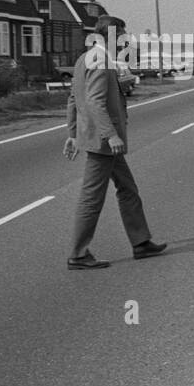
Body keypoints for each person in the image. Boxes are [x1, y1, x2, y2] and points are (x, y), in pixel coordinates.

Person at [63, 15, 167, 269]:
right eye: (121, 35)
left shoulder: (84, 59)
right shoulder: (100, 61)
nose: (125, 40)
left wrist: (73, 134)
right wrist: (111, 135)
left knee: (128, 189)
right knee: (92, 197)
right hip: (103, 142)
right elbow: (94, 102)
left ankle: (141, 242)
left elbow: (74, 98)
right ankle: (78, 254)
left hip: (98, 139)